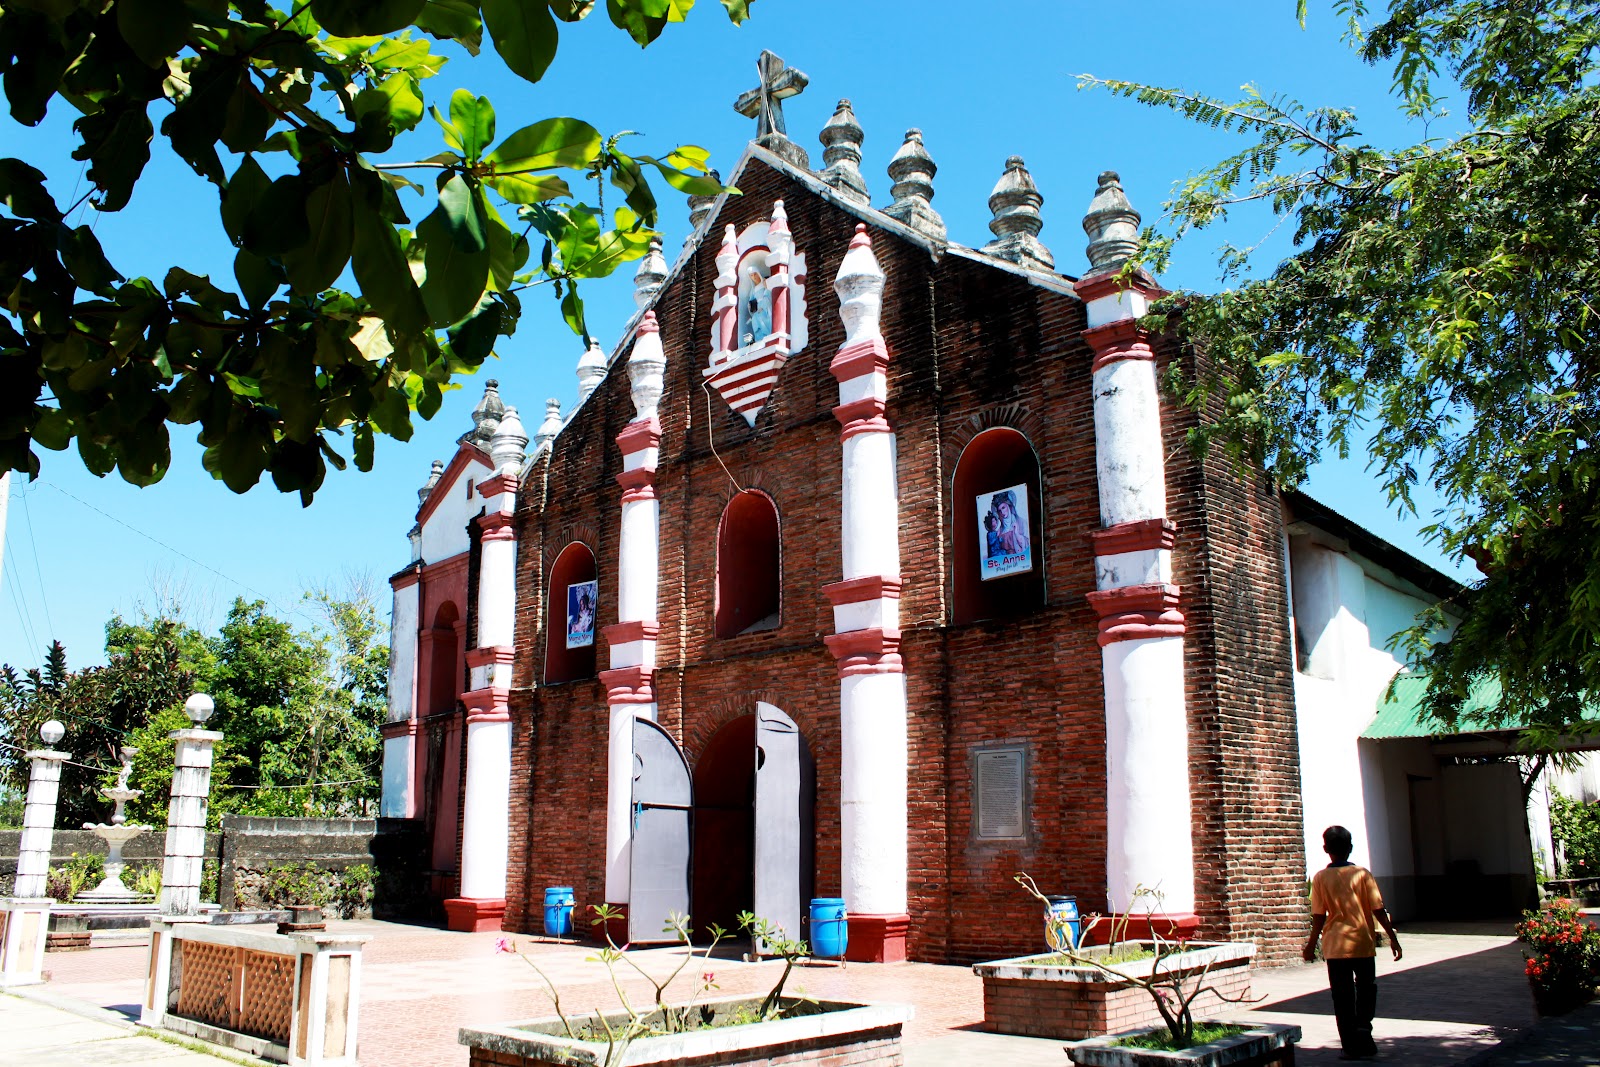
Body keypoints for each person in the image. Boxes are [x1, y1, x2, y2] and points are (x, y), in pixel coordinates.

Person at [1303, 825, 1403, 1061]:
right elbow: (1378, 910)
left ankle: (1349, 1046)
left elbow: (1318, 916)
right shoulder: (1362, 874)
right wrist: (1393, 938)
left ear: (1325, 848)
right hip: (1362, 943)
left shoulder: (1320, 878)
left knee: (1342, 996)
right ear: (1350, 848)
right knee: (1367, 989)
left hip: (1336, 946)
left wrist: (1310, 945)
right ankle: (1364, 1031)